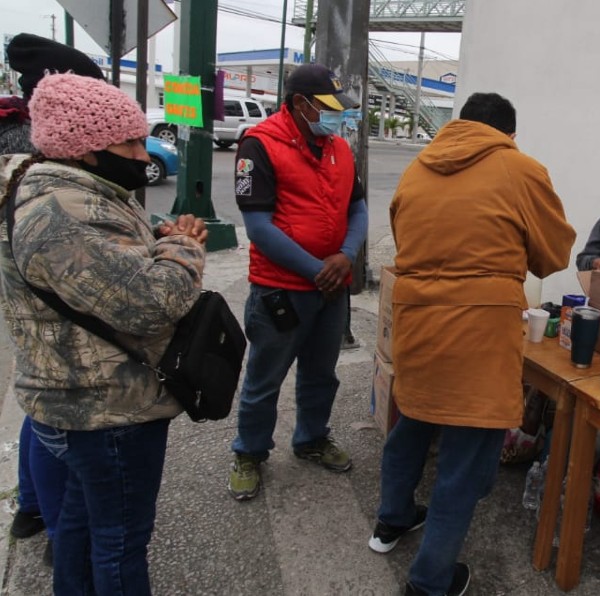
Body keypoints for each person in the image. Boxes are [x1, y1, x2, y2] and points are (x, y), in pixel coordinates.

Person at [0, 73, 206, 595]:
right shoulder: (61, 212)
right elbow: (151, 304)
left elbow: (105, 274)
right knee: (119, 540)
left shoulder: (76, 192)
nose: (142, 154)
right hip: (106, 407)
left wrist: (152, 242)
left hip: (86, 397)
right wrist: (183, 246)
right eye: (130, 142)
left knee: (83, 524)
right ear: (85, 149)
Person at [369, 92, 576, 595]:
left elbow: (403, 235)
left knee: (413, 421)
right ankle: (429, 581)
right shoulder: (520, 168)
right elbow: (552, 254)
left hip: (418, 319)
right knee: (464, 456)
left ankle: (391, 520)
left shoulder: (419, 166)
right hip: (480, 326)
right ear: (509, 135)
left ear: (461, 125)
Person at [227, 63, 368, 501]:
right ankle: (249, 453)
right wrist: (317, 270)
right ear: (301, 103)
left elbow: (358, 209)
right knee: (265, 378)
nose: (337, 117)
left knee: (322, 374)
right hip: (281, 289)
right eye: (328, 108)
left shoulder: (339, 149)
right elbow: (258, 227)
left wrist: (345, 256)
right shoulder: (259, 145)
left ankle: (311, 438)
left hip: (331, 289)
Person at [1, 32, 110, 565]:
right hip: (47, 304)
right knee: (54, 418)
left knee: (39, 408)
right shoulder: (29, 146)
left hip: (31, 305)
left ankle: (32, 509)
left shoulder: (19, 137)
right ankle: (59, 528)